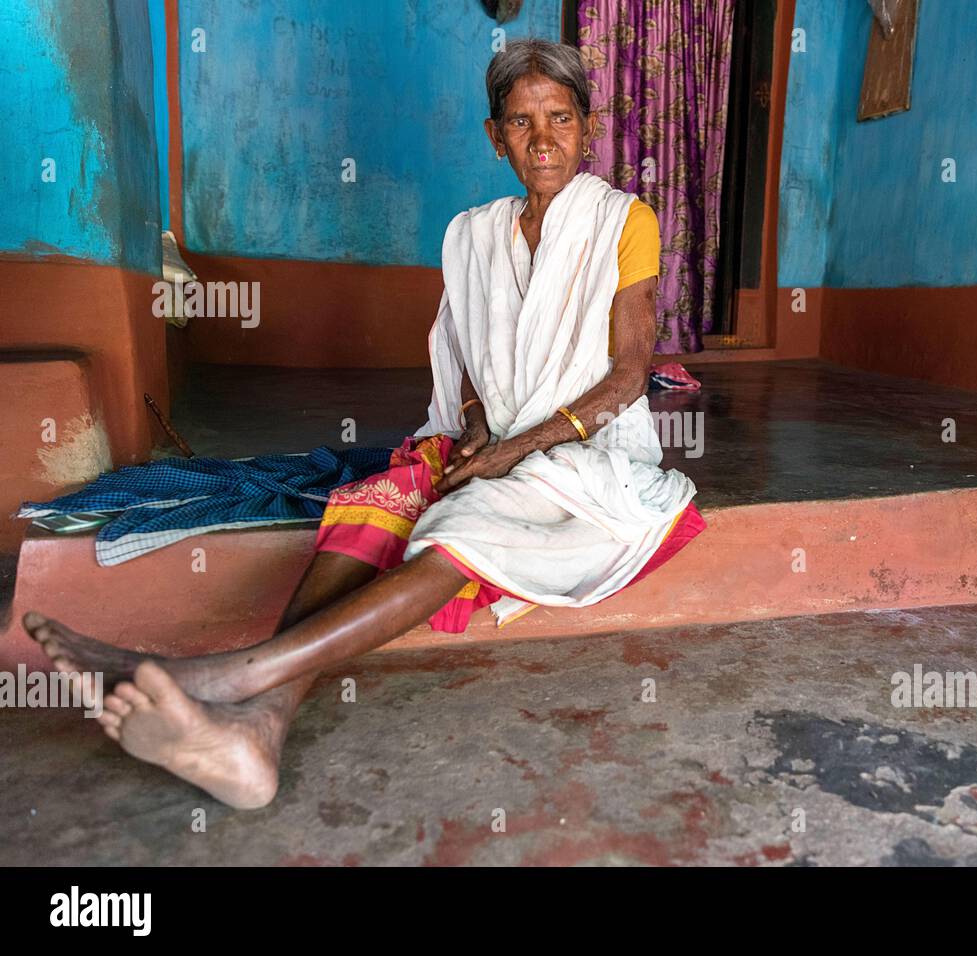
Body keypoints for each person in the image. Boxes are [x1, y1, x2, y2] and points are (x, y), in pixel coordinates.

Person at [22, 38, 705, 809]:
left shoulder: (624, 220)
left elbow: (624, 377)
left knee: (468, 520)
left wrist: (517, 448)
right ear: (494, 136)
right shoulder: (474, 233)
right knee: (381, 500)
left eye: (559, 118)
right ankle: (258, 732)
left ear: (589, 127)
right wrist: (480, 426)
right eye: (520, 122)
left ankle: (230, 675)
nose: (542, 138)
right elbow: (471, 356)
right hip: (505, 442)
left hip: (589, 449)